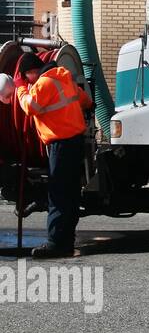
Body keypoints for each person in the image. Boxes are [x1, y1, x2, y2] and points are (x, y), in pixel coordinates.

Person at [11, 53, 92, 259]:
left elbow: (30, 107)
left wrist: (20, 87)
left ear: (32, 73)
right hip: (75, 143)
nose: (29, 80)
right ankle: (66, 240)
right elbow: (86, 101)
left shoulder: (44, 82)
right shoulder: (64, 78)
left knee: (57, 194)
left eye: (27, 76)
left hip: (61, 144)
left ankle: (56, 243)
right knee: (71, 194)